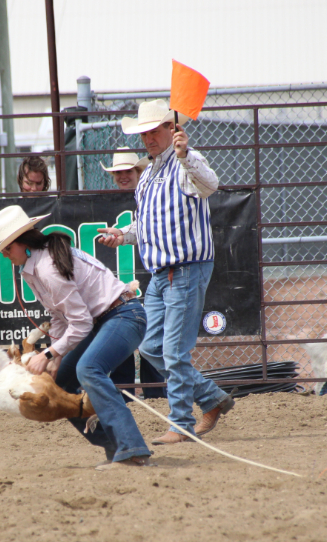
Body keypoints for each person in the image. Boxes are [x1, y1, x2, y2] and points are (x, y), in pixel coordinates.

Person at [99, 99, 234, 445]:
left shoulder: (185, 161)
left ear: (170, 129)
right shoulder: (149, 174)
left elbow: (210, 185)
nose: (147, 139)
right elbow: (148, 224)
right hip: (162, 273)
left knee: (171, 350)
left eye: (153, 131)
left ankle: (181, 423)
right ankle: (211, 398)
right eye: (143, 134)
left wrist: (185, 154)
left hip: (185, 268)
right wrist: (123, 235)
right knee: (150, 346)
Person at [0, 205, 154, 469]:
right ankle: (115, 446)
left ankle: (131, 449)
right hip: (108, 319)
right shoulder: (37, 265)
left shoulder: (47, 268)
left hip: (123, 315)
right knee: (59, 381)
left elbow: (80, 322)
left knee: (89, 369)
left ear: (23, 242)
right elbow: (60, 317)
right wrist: (56, 357)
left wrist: (49, 353)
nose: (5, 255)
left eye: (6, 248)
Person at [100, 148, 167, 401]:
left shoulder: (150, 195)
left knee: (153, 336)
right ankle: (132, 395)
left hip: (155, 275)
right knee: (130, 335)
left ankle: (158, 394)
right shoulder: (141, 195)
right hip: (134, 278)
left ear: (139, 171)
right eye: (117, 173)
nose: (122, 176)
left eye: (127, 171)